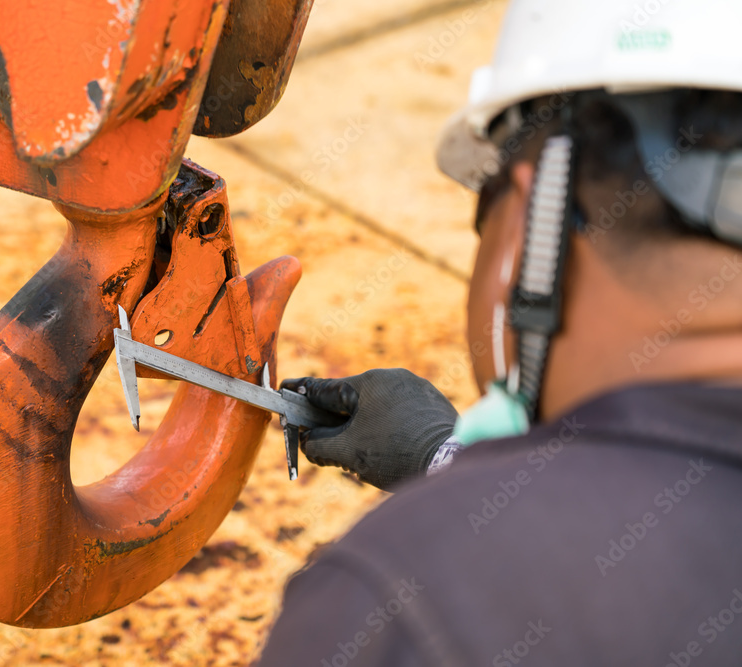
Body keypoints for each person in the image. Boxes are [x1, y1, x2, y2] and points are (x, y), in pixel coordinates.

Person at [257, 0, 742, 664]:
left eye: (483, 211)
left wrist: (467, 521)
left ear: (528, 223)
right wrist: (441, 456)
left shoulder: (407, 601)